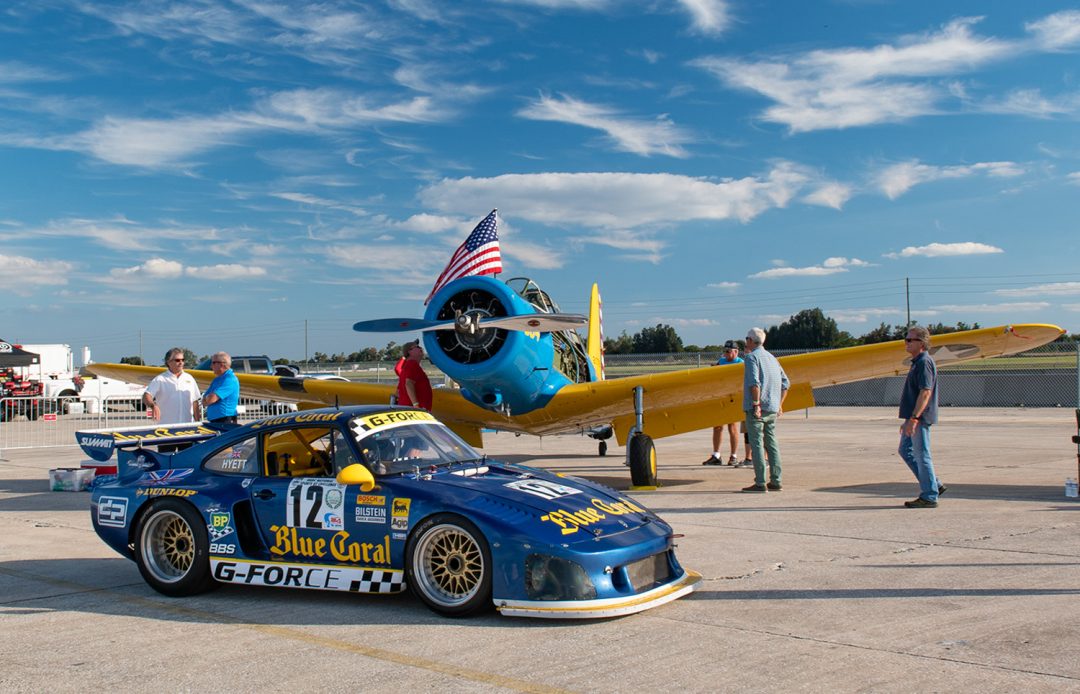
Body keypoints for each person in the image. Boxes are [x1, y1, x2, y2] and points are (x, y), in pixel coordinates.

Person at [898, 326, 945, 508]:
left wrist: (914, 419)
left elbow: (925, 392)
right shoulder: (917, 362)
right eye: (906, 339)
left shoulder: (924, 362)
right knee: (905, 451)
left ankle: (929, 495)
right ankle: (935, 484)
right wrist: (908, 419)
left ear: (922, 343)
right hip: (913, 417)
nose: (907, 343)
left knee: (922, 455)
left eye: (911, 340)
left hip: (920, 418)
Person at [741, 327, 789, 493]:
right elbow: (785, 383)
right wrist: (780, 404)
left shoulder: (751, 358)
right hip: (772, 408)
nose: (745, 341)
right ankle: (776, 480)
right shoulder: (772, 358)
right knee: (772, 444)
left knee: (757, 445)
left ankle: (760, 482)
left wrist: (756, 404)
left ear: (751, 341)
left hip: (757, 409)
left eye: (747, 338)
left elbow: (754, 383)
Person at [703, 340, 745, 466]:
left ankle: (733, 456)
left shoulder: (741, 363)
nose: (726, 354)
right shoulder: (721, 361)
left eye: (728, 351)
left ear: (736, 351)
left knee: (732, 427)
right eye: (725, 351)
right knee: (717, 426)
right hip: (721, 397)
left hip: (734, 398)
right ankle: (716, 455)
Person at [144, 348, 201, 424]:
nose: (181, 362)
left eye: (182, 360)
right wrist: (153, 406)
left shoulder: (190, 378)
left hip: (187, 427)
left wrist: (197, 423)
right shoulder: (160, 379)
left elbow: (195, 402)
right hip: (167, 427)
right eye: (177, 360)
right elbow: (146, 396)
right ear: (168, 362)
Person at [202, 351, 240, 424]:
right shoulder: (217, 379)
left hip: (225, 420)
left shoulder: (230, 379)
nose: (211, 366)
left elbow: (210, 399)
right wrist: (208, 398)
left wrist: (209, 398)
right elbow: (204, 400)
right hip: (216, 420)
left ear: (222, 364)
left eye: (213, 363)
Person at [396, 340, 432, 411]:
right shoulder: (412, 364)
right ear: (409, 352)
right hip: (415, 411)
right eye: (417, 347)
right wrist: (416, 405)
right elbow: (408, 384)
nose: (420, 348)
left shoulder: (408, 366)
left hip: (409, 410)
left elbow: (397, 392)